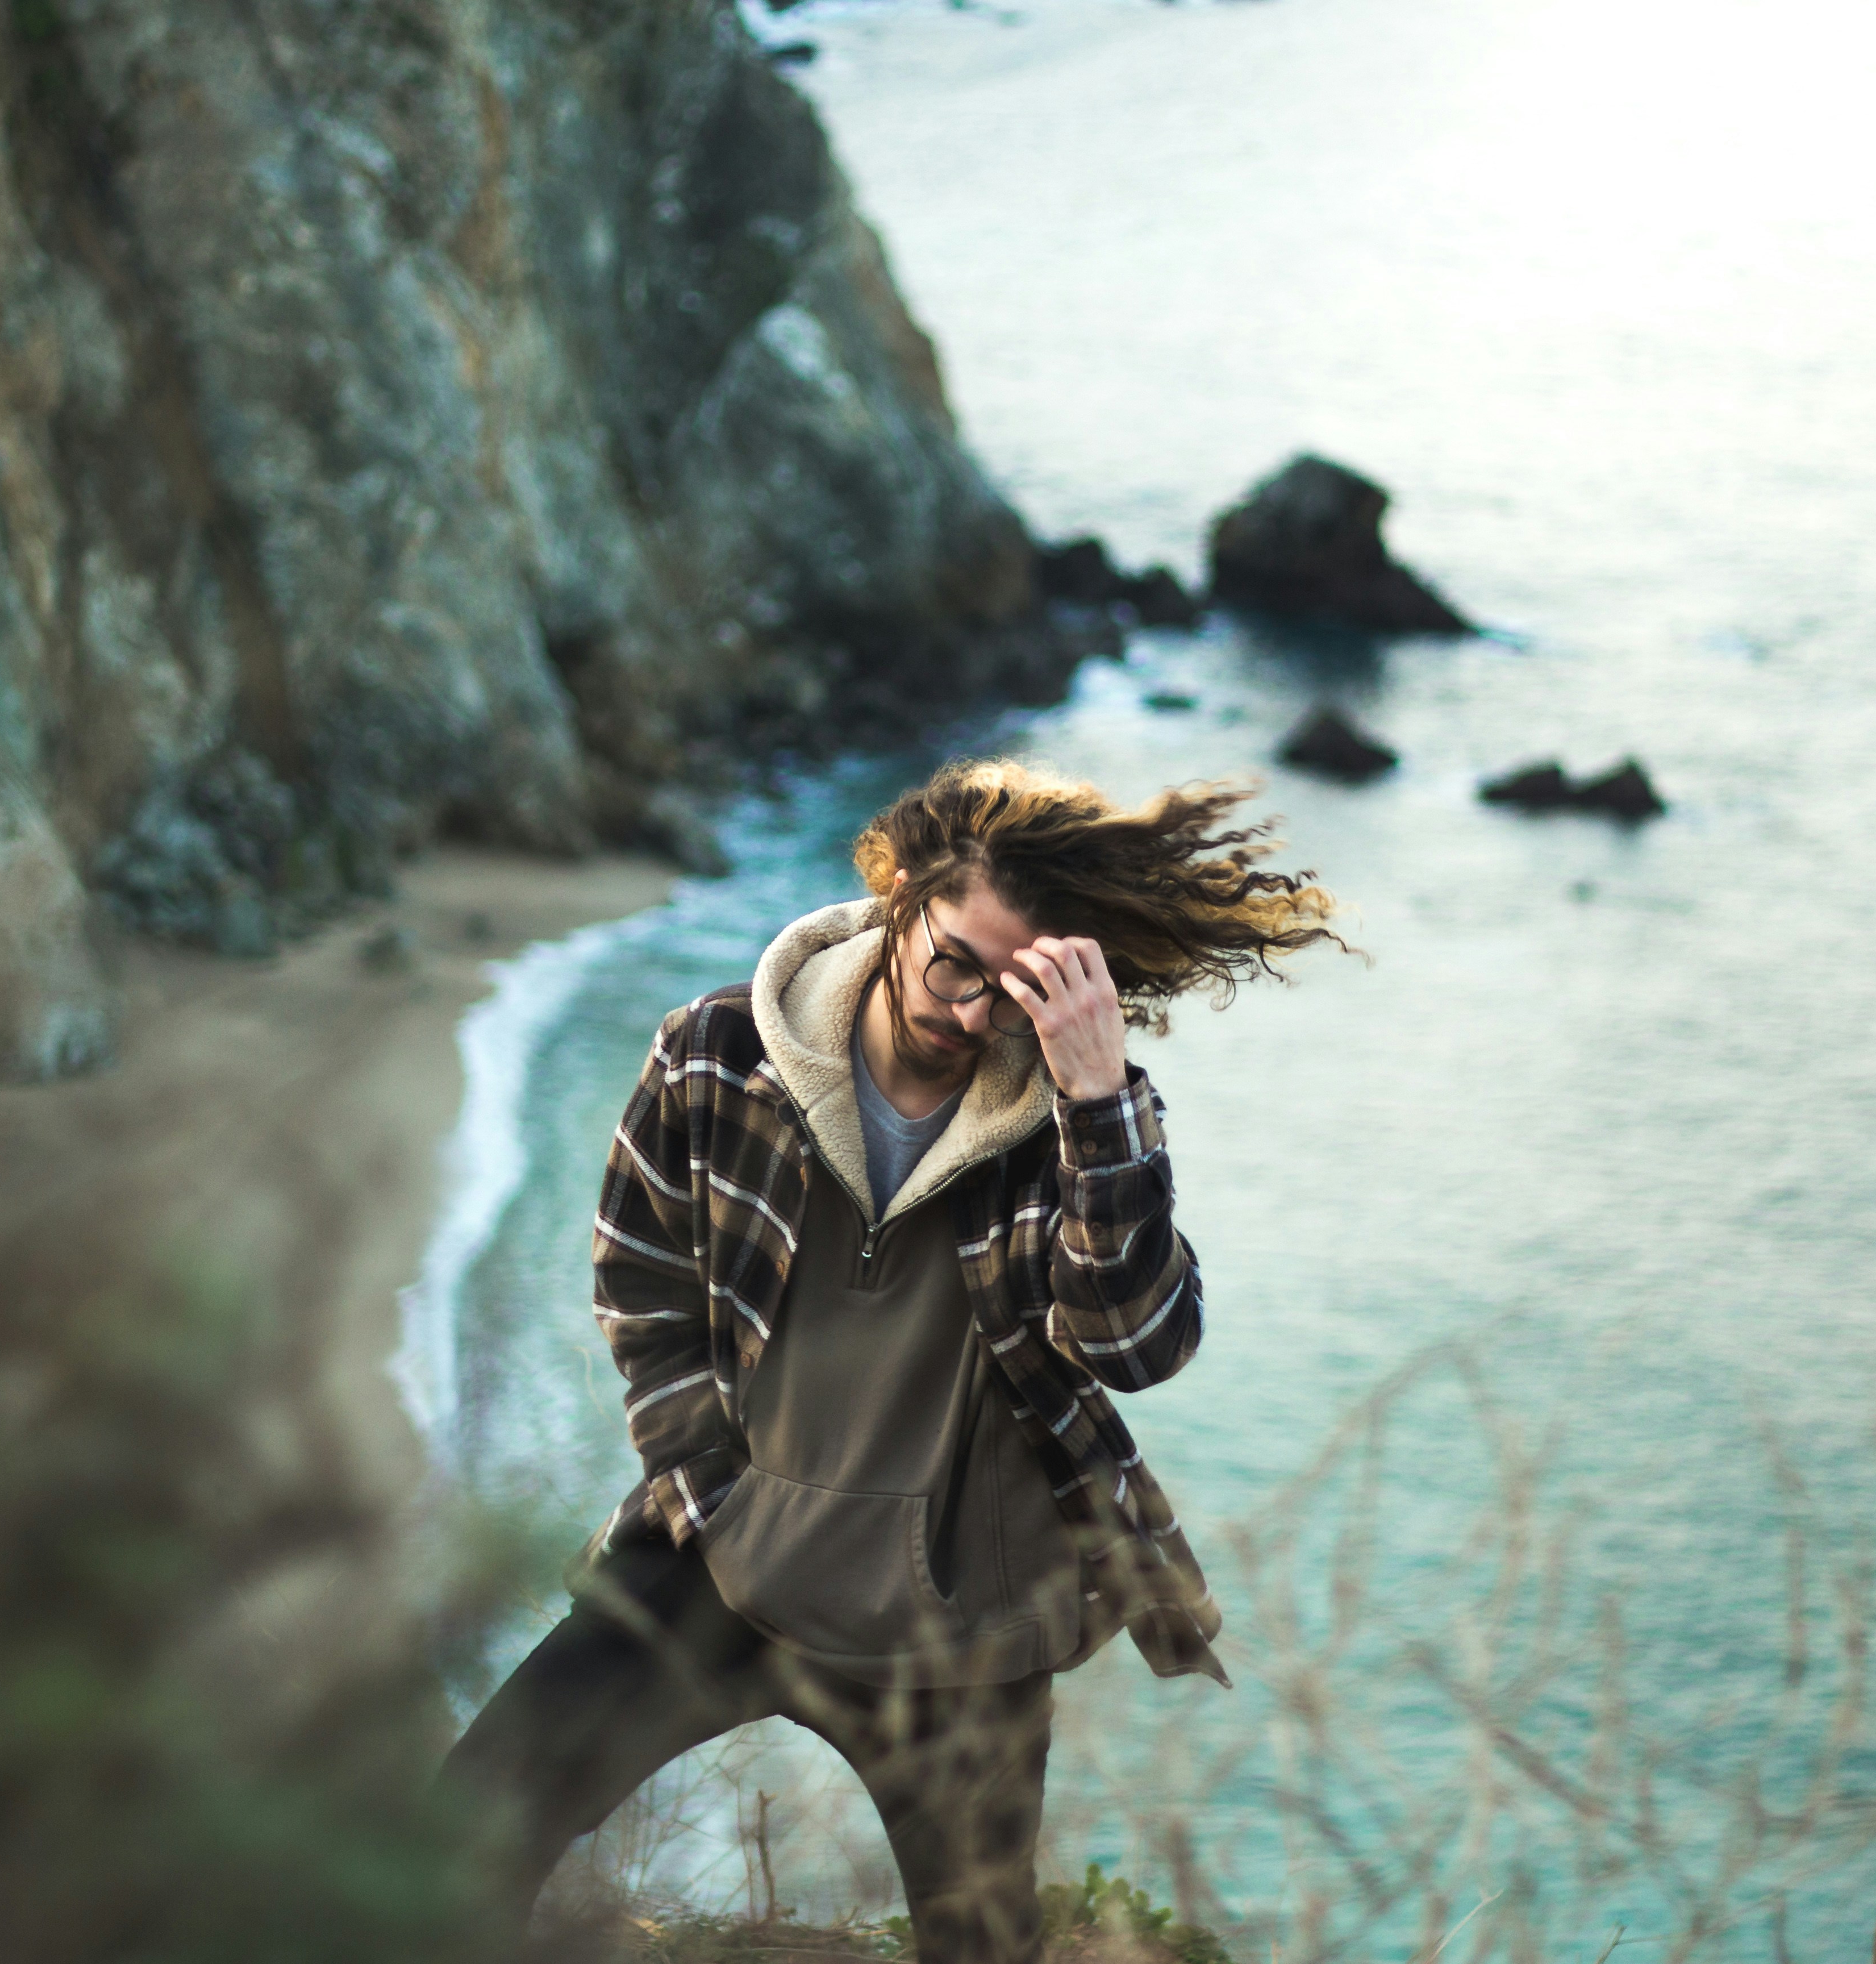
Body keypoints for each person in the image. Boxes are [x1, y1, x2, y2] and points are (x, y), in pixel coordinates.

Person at [432, 759, 1345, 1962]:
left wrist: (1097, 1096)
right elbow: (636, 1269)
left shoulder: (1080, 1126)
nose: (969, 1014)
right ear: (904, 895)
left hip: (956, 1623)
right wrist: (712, 1494)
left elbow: (1137, 1347)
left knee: (978, 1949)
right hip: (728, 1561)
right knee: (456, 1843)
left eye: (1011, 994)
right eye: (956, 963)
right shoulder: (716, 1055)